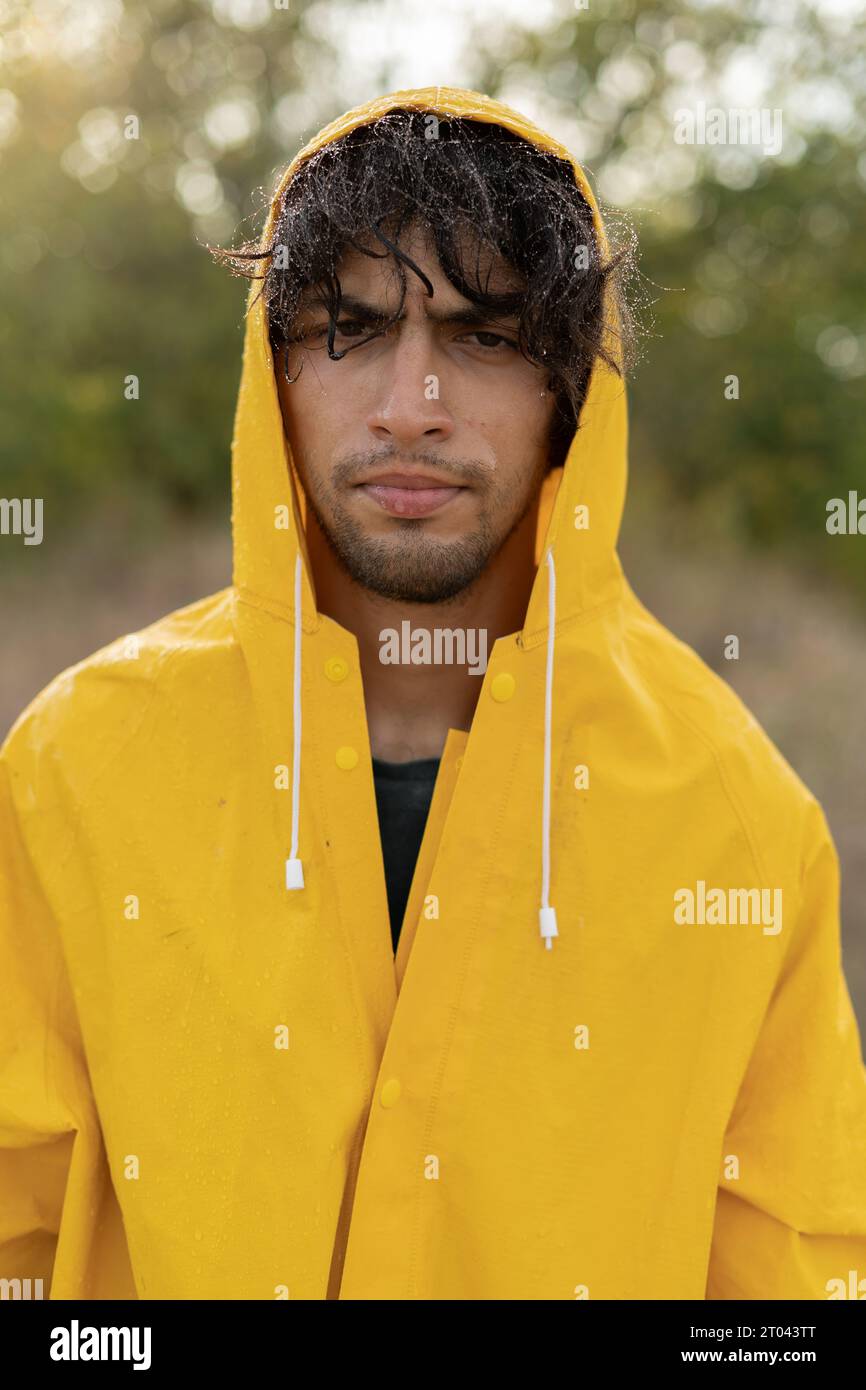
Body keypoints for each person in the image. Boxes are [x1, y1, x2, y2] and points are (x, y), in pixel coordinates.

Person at [1, 87, 864, 1302]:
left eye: (485, 336)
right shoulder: (73, 772)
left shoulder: (738, 824)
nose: (411, 407)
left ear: (568, 393)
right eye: (347, 329)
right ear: (275, 374)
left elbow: (789, 1285)